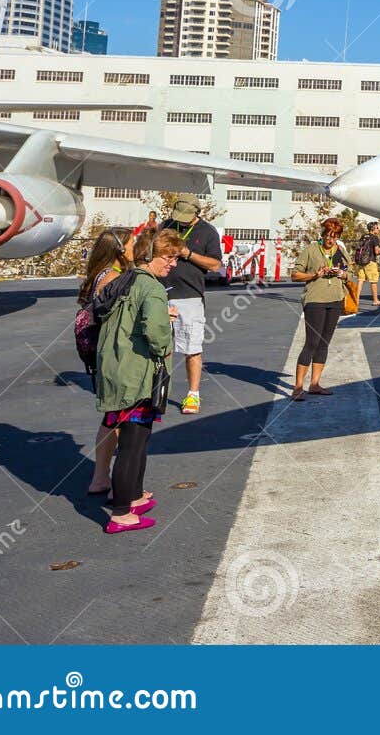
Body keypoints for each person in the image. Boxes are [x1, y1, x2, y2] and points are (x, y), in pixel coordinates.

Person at [96, 230, 184, 534]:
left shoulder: (126, 279)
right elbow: (156, 333)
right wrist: (167, 330)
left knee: (136, 438)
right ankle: (121, 513)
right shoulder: (153, 288)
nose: (173, 264)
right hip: (137, 374)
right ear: (151, 255)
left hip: (116, 366)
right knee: (133, 443)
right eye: (168, 257)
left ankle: (132, 495)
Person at [76, 227, 132, 495]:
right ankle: (117, 485)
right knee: (121, 420)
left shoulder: (97, 275)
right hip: (114, 357)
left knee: (113, 418)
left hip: (100, 356)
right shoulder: (112, 279)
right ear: (120, 250)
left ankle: (101, 477)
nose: (136, 249)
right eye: (132, 244)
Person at [159, 194, 222, 416]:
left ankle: (193, 394)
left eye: (186, 217)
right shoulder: (166, 226)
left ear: (197, 213)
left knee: (191, 348)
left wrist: (188, 253)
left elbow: (215, 265)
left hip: (190, 297)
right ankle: (158, 391)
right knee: (159, 347)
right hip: (161, 294)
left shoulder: (207, 231)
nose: (181, 221)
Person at [290, 218, 349, 401]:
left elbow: (350, 274)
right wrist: (315, 274)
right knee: (312, 343)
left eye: (335, 236)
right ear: (322, 235)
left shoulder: (341, 251)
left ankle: (315, 384)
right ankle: (298, 387)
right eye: (328, 236)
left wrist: (341, 273)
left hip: (335, 300)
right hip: (315, 300)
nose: (331, 240)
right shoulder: (311, 250)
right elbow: (294, 275)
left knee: (324, 343)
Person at [354, 221, 380, 310]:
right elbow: (376, 251)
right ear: (373, 229)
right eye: (378, 228)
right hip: (370, 261)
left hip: (361, 262)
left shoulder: (363, 236)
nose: (379, 229)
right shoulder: (375, 238)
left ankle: (356, 300)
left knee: (360, 280)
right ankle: (375, 300)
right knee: (373, 281)